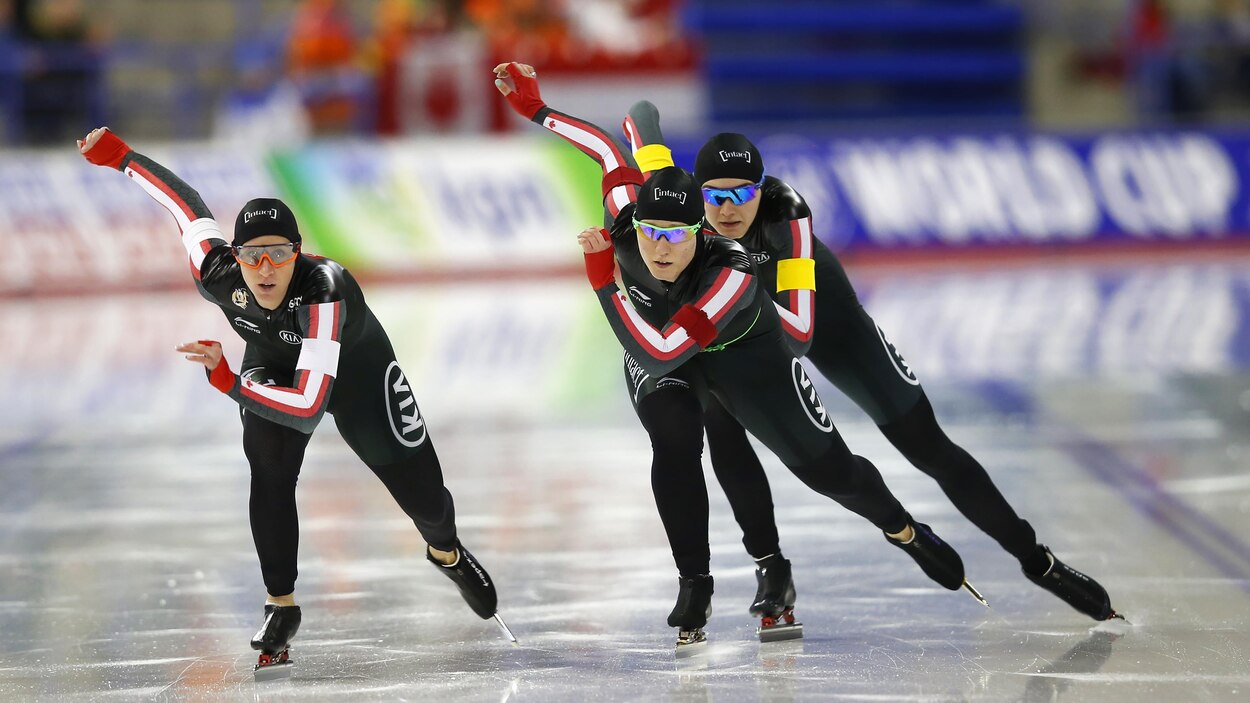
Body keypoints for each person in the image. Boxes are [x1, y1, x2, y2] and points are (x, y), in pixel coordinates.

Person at [494, 61, 975, 650]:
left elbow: (666, 351)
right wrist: (536, 109)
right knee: (673, 438)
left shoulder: (727, 277)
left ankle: (880, 535)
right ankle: (694, 580)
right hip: (655, 341)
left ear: (703, 234)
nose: (660, 249)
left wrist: (602, 283)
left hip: (718, 344)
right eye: (649, 233)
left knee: (814, 465)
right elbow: (604, 146)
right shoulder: (627, 211)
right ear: (631, 219)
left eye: (677, 236)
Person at [620, 100, 1122, 624]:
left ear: (760, 191)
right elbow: (640, 115)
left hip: (826, 326)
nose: (726, 209)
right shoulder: (677, 203)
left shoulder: (784, 217)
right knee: (720, 416)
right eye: (714, 197)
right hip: (742, 335)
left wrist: (741, 287)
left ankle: (1037, 560)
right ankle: (772, 566)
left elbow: (798, 334)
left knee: (929, 447)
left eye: (741, 194)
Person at [76, 126, 510, 677]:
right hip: (273, 364)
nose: (264, 269)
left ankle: (445, 551)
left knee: (425, 498)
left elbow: (309, 403)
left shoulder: (325, 289)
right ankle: (281, 605)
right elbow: (188, 208)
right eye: (252, 257)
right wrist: (122, 158)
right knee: (269, 469)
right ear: (234, 258)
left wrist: (229, 382)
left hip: (354, 373)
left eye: (278, 255)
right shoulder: (218, 274)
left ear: (298, 254)